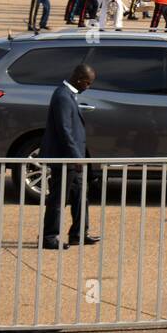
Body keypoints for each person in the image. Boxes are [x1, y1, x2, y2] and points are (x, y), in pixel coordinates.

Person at [40, 64, 99, 250]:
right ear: (79, 79)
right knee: (58, 199)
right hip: (66, 159)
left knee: (81, 197)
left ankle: (79, 234)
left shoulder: (69, 94)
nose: (88, 86)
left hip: (75, 159)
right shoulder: (62, 96)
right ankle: (50, 237)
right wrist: (75, 157)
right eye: (88, 83)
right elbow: (64, 130)